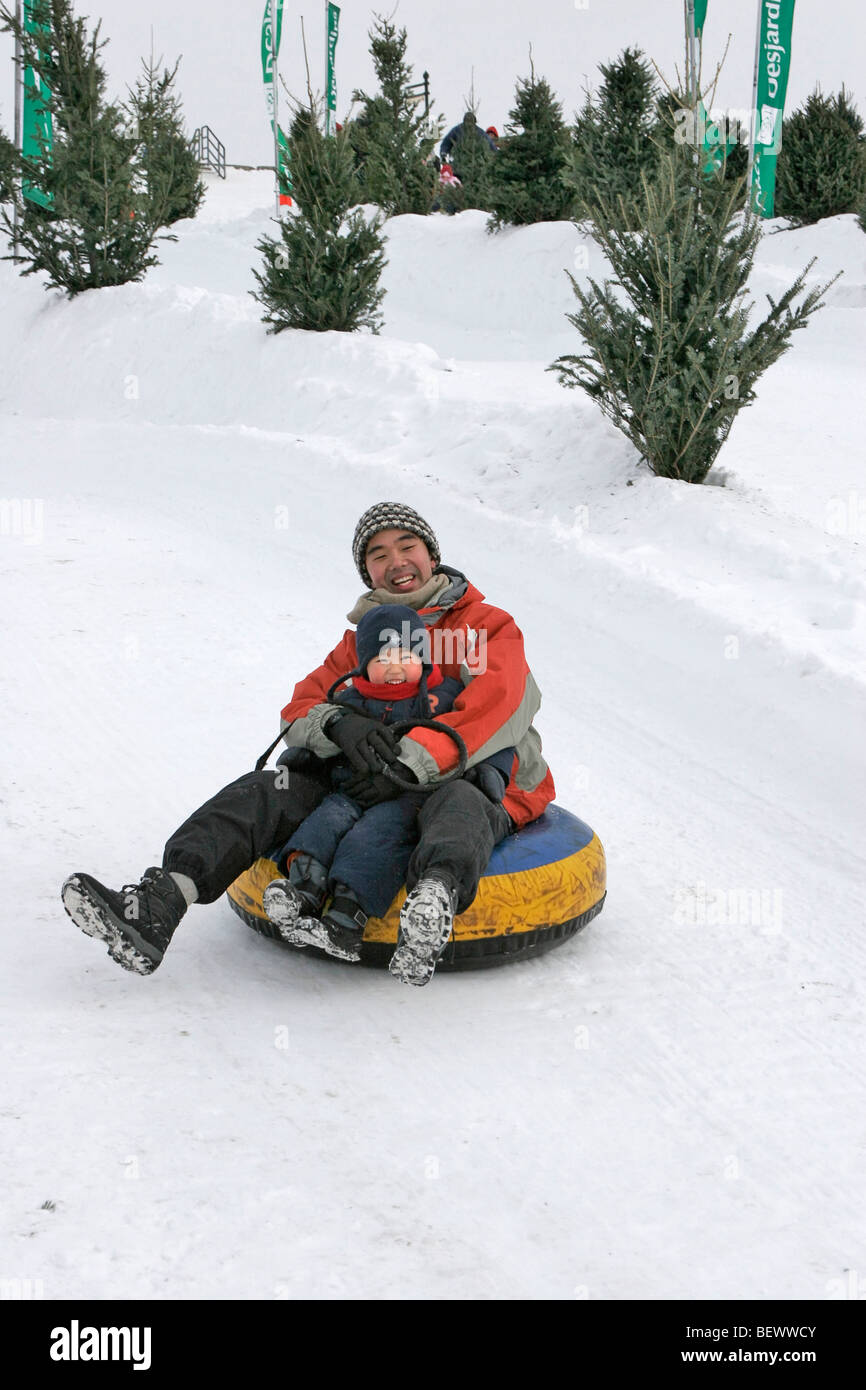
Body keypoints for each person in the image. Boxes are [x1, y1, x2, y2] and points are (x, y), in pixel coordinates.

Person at [61, 502, 555, 986]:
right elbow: (298, 709)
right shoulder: (359, 640)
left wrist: (405, 766)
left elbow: (501, 703)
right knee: (266, 788)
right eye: (379, 554)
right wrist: (337, 723)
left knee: (458, 805)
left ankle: (431, 902)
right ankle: (161, 901)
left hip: (468, 780)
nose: (397, 561)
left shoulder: (483, 625)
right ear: (368, 572)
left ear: (431, 555)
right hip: (359, 784)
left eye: (408, 546)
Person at [262, 603, 515, 976]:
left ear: (423, 659)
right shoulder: (348, 700)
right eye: (382, 660)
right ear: (363, 666)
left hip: (407, 798)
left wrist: (489, 774)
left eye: (406, 656)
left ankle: (347, 917)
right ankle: (304, 887)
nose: (395, 667)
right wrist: (304, 758)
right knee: (325, 819)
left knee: (374, 837)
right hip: (351, 790)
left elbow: (476, 737)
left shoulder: (441, 698)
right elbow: (320, 733)